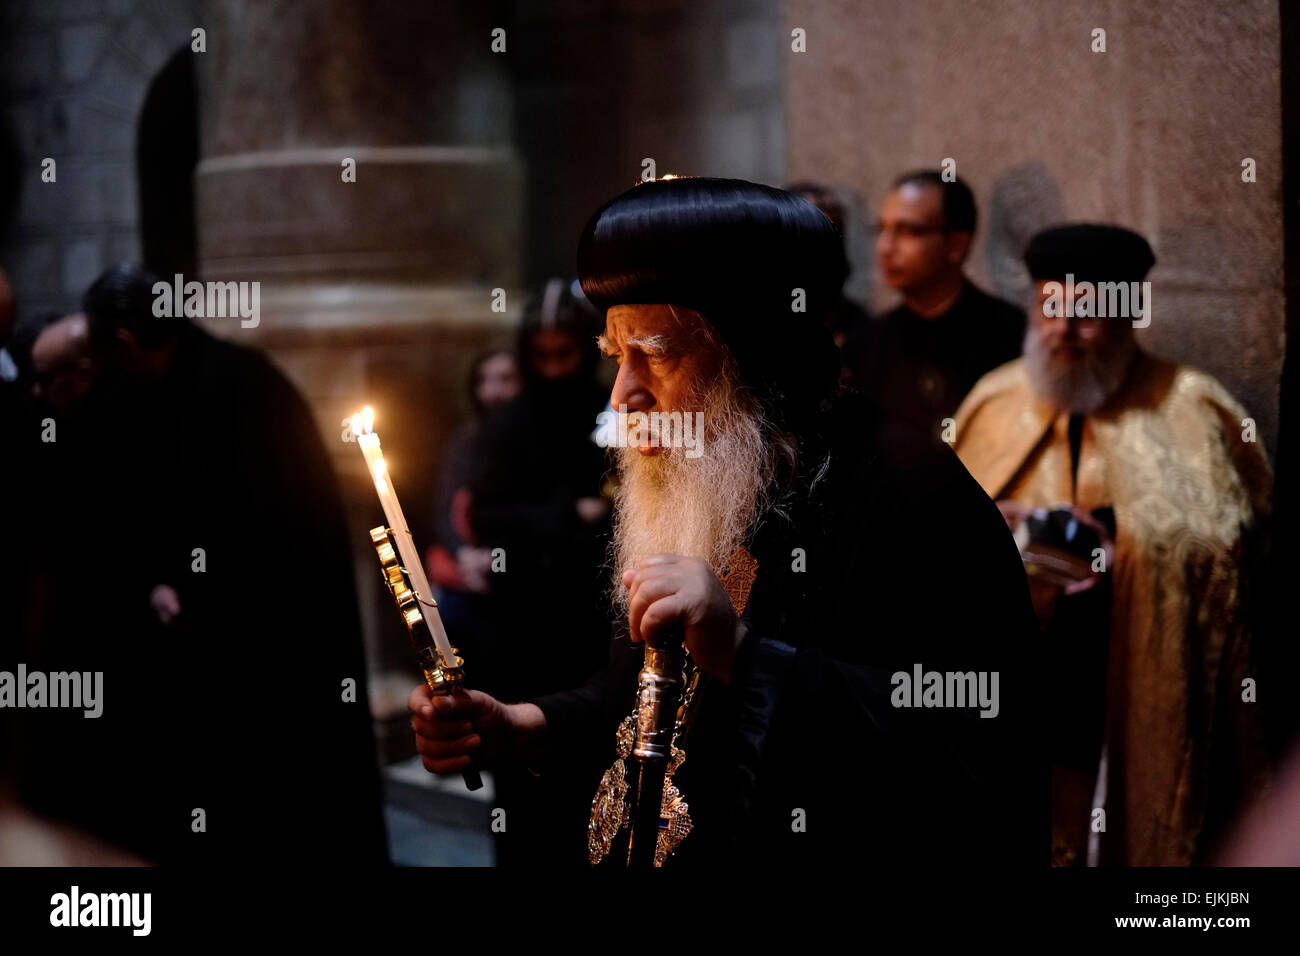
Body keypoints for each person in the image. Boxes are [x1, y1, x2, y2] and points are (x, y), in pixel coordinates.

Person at [408, 177, 1038, 868]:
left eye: (659, 352)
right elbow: (642, 707)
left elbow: (971, 735)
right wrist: (522, 725)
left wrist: (744, 653)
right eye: (617, 356)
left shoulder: (908, 491)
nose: (625, 396)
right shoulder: (704, 474)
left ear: (754, 347)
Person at [18, 263, 387, 865]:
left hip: (269, 663)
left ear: (129, 345)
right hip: (209, 657)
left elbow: (271, 536)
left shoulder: (240, 390)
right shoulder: (172, 388)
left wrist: (190, 587)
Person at [952, 224, 1272, 866]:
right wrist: (994, 527)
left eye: (1088, 312)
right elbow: (931, 535)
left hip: (1125, 680)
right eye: (1050, 307)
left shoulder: (1192, 405)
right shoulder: (993, 400)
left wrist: (1123, 546)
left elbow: (1232, 552)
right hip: (1015, 690)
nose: (1064, 329)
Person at [452, 279, 614, 866]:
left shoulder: (609, 411)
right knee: (520, 783)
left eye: (564, 354)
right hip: (519, 620)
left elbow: (619, 509)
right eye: (540, 356)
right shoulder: (507, 424)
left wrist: (574, 523)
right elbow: (490, 513)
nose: (552, 369)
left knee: (588, 773)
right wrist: (567, 514)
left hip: (590, 617)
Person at [846, 170, 1024, 436]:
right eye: (882, 229)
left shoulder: (1011, 333)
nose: (885, 247)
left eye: (908, 231)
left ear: (957, 244)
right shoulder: (866, 344)